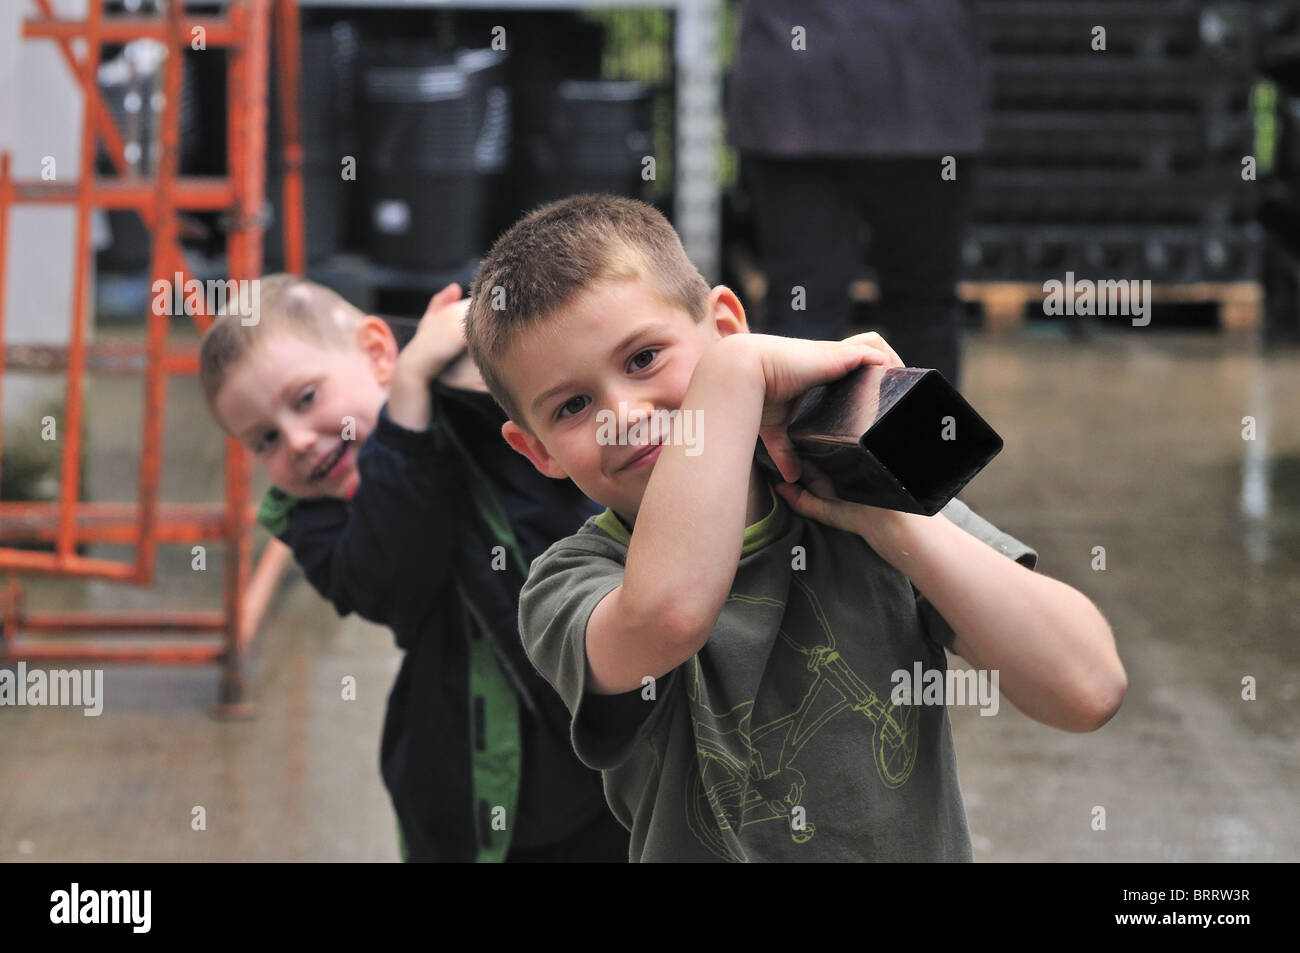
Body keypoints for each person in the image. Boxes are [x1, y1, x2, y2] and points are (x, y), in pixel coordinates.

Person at [463, 194, 1126, 862]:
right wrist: (732, 372)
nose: (624, 413)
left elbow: (1087, 687)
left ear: (725, 324)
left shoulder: (861, 495)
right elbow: (669, 613)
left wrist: (890, 518)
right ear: (537, 450)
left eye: (644, 358)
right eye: (573, 405)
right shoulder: (567, 585)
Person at [198, 274, 629, 862]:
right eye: (265, 439)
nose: (296, 441)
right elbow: (391, 581)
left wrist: (463, 346)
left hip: (619, 730)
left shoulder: (471, 385)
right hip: (482, 786)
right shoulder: (310, 517)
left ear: (377, 352)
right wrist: (403, 419)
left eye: (305, 399)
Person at [728, 0, 989, 386]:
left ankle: (801, 445)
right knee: (924, 308)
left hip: (796, 93)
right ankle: (931, 440)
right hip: (923, 87)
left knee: (804, 308)